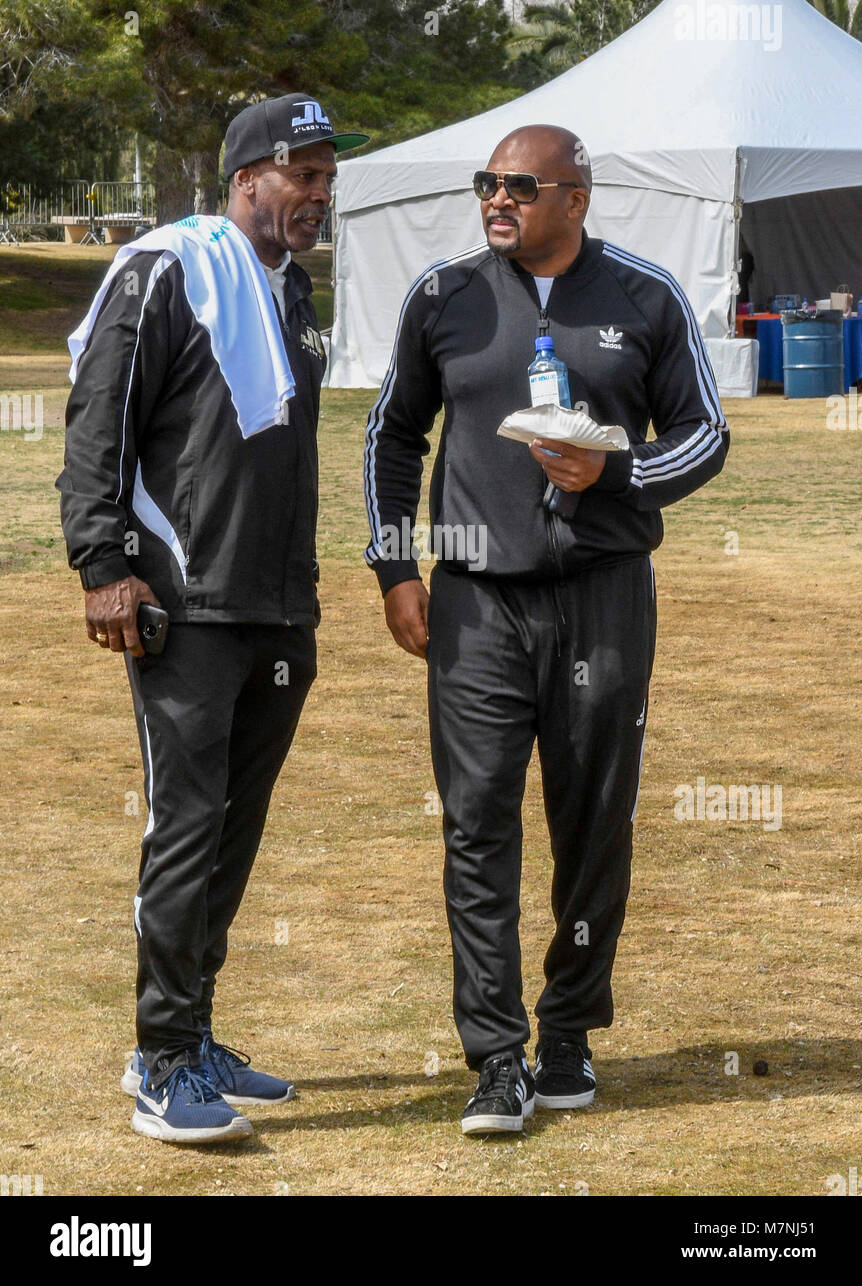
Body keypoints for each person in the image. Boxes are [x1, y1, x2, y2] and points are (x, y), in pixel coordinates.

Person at [363, 123, 729, 1135]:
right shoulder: (441, 297)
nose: (496, 199)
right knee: (475, 820)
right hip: (475, 602)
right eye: (486, 183)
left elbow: (704, 433)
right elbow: (391, 434)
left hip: (603, 596)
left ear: (575, 196)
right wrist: (396, 564)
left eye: (519, 186)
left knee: (591, 819)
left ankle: (566, 1027)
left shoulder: (643, 295)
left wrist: (613, 472)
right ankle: (492, 1056)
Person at [57, 93, 368, 1144]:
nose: (318, 195)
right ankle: (157, 1062)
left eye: (327, 177)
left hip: (276, 606)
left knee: (233, 830)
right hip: (183, 605)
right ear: (246, 178)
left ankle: (194, 1033)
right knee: (184, 825)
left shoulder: (292, 290)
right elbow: (98, 417)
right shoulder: (166, 265)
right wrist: (103, 564)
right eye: (302, 174)